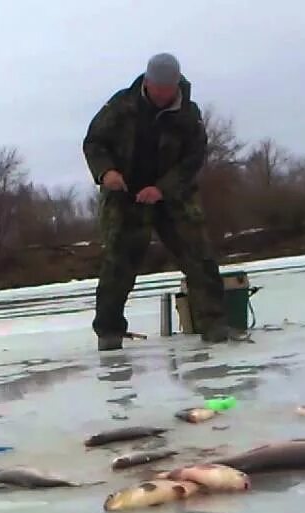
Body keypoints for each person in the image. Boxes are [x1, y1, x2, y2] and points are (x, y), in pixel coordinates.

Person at [83, 52, 237, 350]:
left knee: (198, 256)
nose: (163, 95)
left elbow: (194, 158)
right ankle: (109, 332)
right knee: (119, 264)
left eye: (169, 89)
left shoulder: (189, 114)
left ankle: (215, 324)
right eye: (158, 89)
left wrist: (162, 189)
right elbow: (93, 142)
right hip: (125, 193)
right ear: (148, 82)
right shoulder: (121, 105)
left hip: (172, 193)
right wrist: (106, 172)